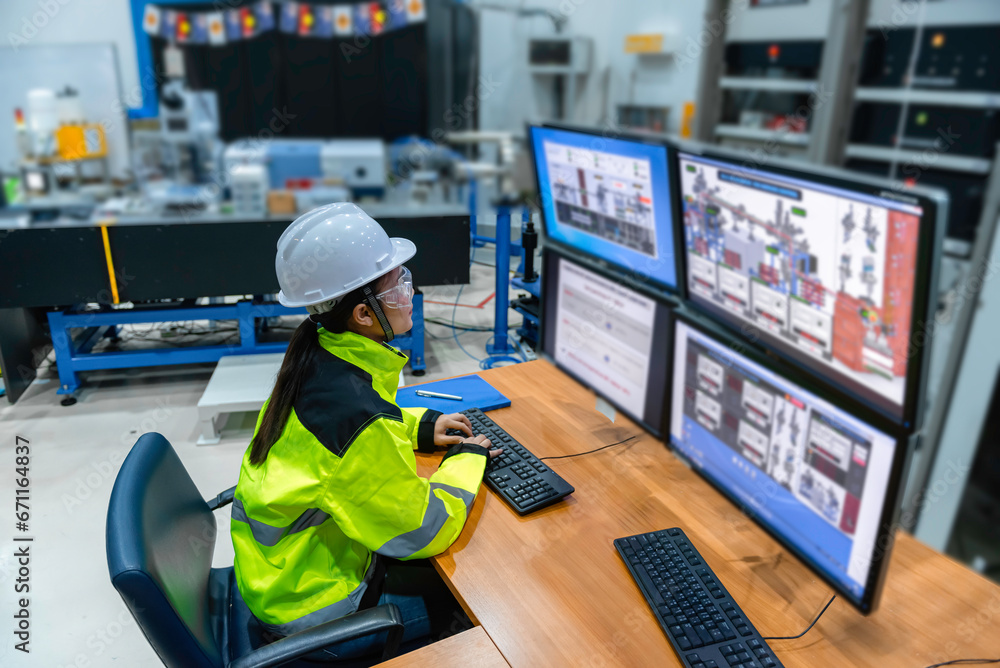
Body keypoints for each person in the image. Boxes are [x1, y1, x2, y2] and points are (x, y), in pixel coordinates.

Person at [231, 202, 499, 662]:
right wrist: (466, 462)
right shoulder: (354, 416)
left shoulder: (316, 355)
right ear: (362, 314)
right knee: (482, 602)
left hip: (279, 578)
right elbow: (424, 531)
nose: (411, 294)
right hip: (317, 613)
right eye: (400, 285)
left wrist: (421, 427)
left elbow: (352, 434)